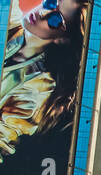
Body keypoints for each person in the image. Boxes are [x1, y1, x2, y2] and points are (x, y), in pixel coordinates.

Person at [2, 0, 88, 163]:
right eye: (51, 2)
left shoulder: (39, 88)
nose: (43, 12)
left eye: (55, 19)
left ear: (63, 39)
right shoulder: (11, 21)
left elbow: (2, 141)